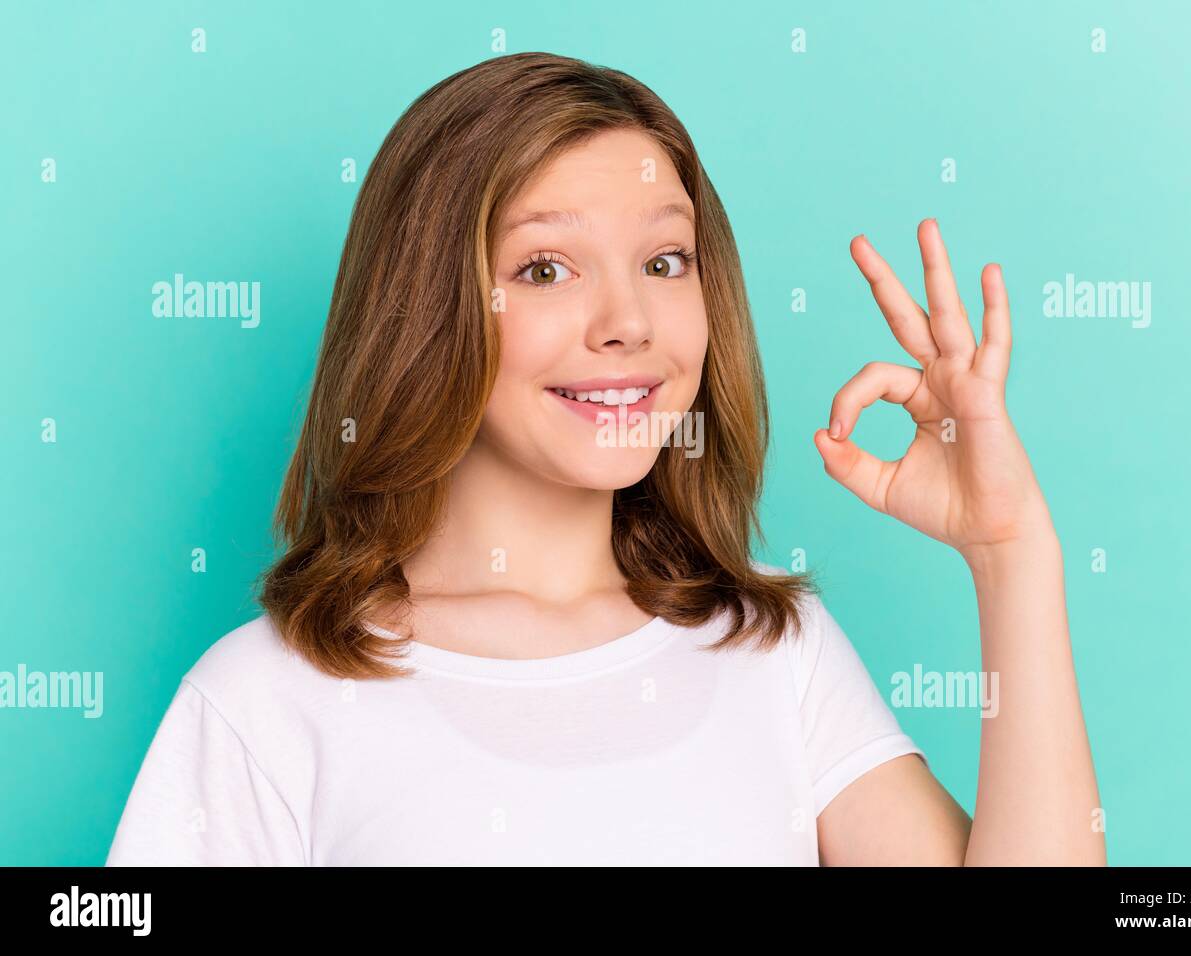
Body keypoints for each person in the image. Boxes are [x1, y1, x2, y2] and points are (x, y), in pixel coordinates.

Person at [105, 52, 1103, 866]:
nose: (628, 321)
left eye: (665, 262)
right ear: (430, 310)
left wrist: (1011, 551)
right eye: (545, 268)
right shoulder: (264, 701)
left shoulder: (772, 649)